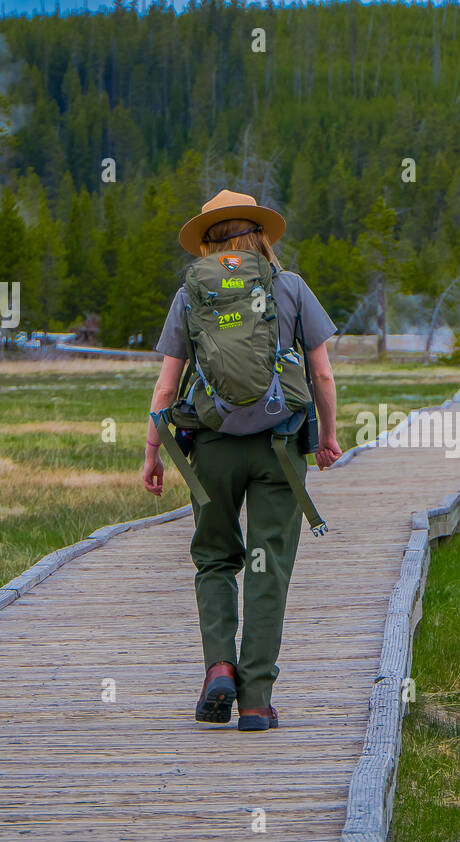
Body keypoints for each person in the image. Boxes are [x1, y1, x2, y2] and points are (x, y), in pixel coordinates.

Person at [141, 188, 341, 733]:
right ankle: (255, 702)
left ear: (207, 241)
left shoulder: (192, 296)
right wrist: (326, 437)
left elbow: (165, 387)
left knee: (214, 559)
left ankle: (219, 667)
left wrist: (154, 451)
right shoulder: (292, 288)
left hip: (211, 448)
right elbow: (322, 375)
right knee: (266, 565)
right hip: (280, 446)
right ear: (262, 235)